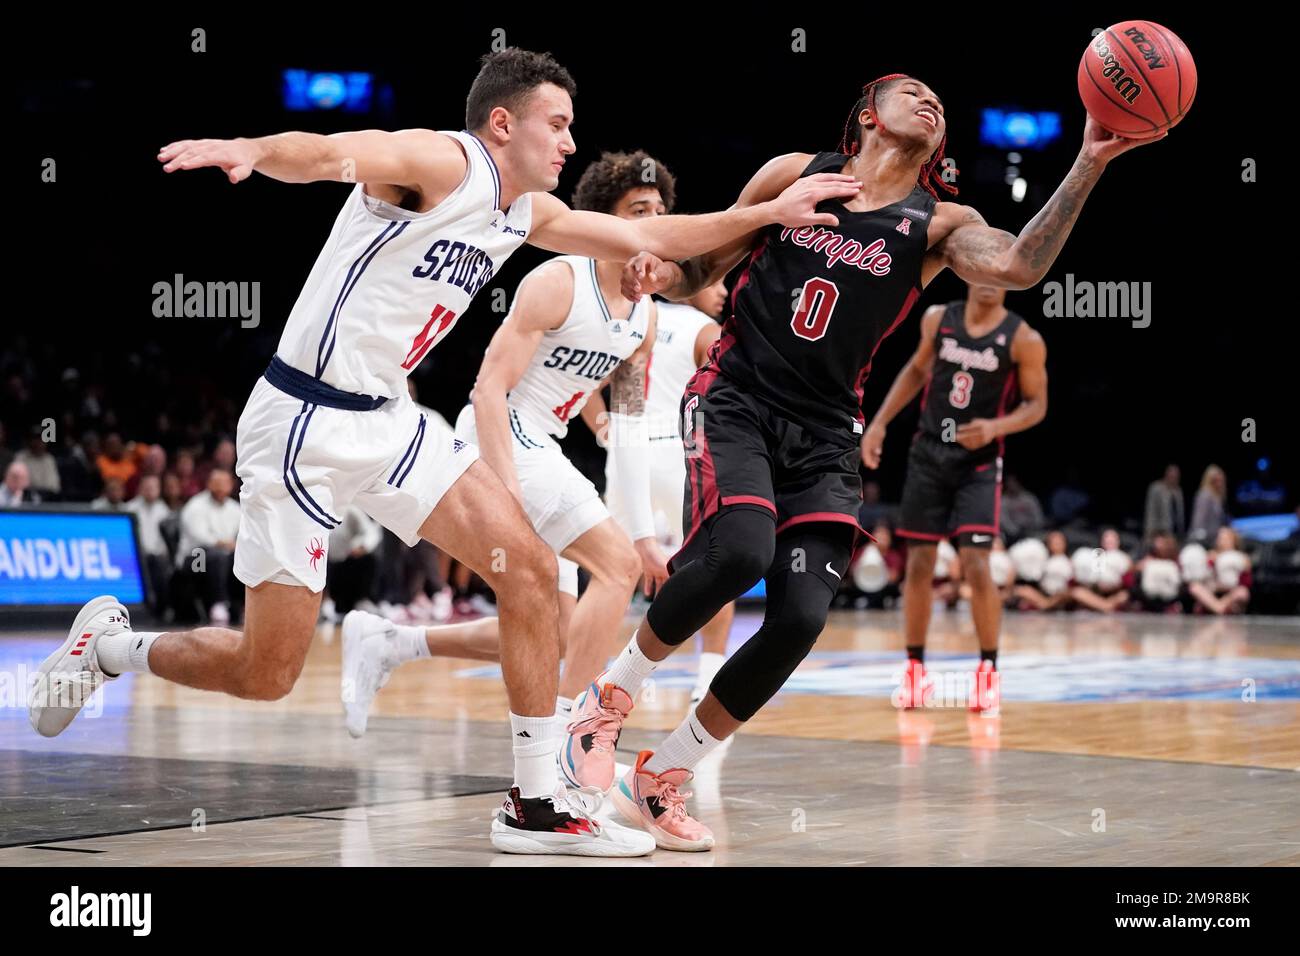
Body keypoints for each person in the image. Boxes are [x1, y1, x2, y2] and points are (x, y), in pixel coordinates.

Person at [31, 47, 851, 858]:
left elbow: (664, 232)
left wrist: (763, 217)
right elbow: (330, 154)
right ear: (503, 122)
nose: (569, 143)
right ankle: (107, 649)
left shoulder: (527, 215)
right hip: (301, 426)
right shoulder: (444, 161)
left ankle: (535, 802)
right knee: (266, 670)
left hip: (392, 419)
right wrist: (253, 151)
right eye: (557, 125)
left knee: (531, 568)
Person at [579, 72, 1163, 848]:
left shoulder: (940, 222)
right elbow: (701, 269)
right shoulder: (795, 175)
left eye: (941, 103)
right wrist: (659, 275)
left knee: (799, 619)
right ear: (867, 115)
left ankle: (662, 778)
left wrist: (1088, 158)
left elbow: (1020, 266)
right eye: (913, 91)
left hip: (826, 432)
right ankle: (605, 705)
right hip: (739, 397)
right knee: (742, 550)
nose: (933, 102)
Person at [863, 281, 1048, 715]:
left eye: (997, 271)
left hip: (978, 462)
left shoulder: (1023, 338)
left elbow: (1037, 404)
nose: (987, 279)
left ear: (1010, 278)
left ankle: (988, 671)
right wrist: (879, 423)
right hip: (928, 453)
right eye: (978, 269)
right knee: (920, 563)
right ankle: (914, 669)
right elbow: (914, 371)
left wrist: (996, 427)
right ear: (967, 272)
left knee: (977, 563)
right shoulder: (938, 319)